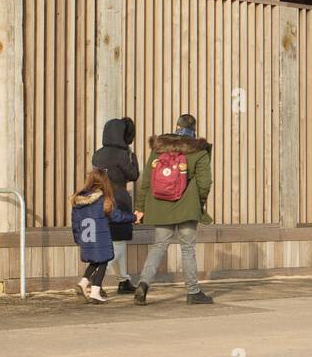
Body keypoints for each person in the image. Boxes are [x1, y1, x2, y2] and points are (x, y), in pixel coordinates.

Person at [133, 113, 213, 305]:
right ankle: (193, 292)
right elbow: (204, 183)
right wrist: (198, 203)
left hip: (160, 205)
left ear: (176, 126)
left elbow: (146, 181)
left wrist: (140, 207)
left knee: (158, 247)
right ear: (194, 130)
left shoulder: (159, 149)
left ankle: (143, 284)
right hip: (187, 207)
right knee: (187, 249)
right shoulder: (198, 151)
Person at [71, 168, 135, 304]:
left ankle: (83, 283)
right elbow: (116, 216)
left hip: (86, 237)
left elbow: (75, 223)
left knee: (95, 261)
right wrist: (134, 217)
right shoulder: (103, 199)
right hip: (100, 237)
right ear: (105, 182)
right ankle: (95, 293)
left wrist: (78, 239)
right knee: (104, 261)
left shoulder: (78, 200)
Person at [91, 117, 139, 294]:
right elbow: (133, 175)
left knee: (113, 239)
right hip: (119, 198)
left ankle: (123, 280)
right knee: (119, 241)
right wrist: (132, 156)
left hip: (100, 197)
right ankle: (93, 279)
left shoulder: (98, 153)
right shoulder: (121, 154)